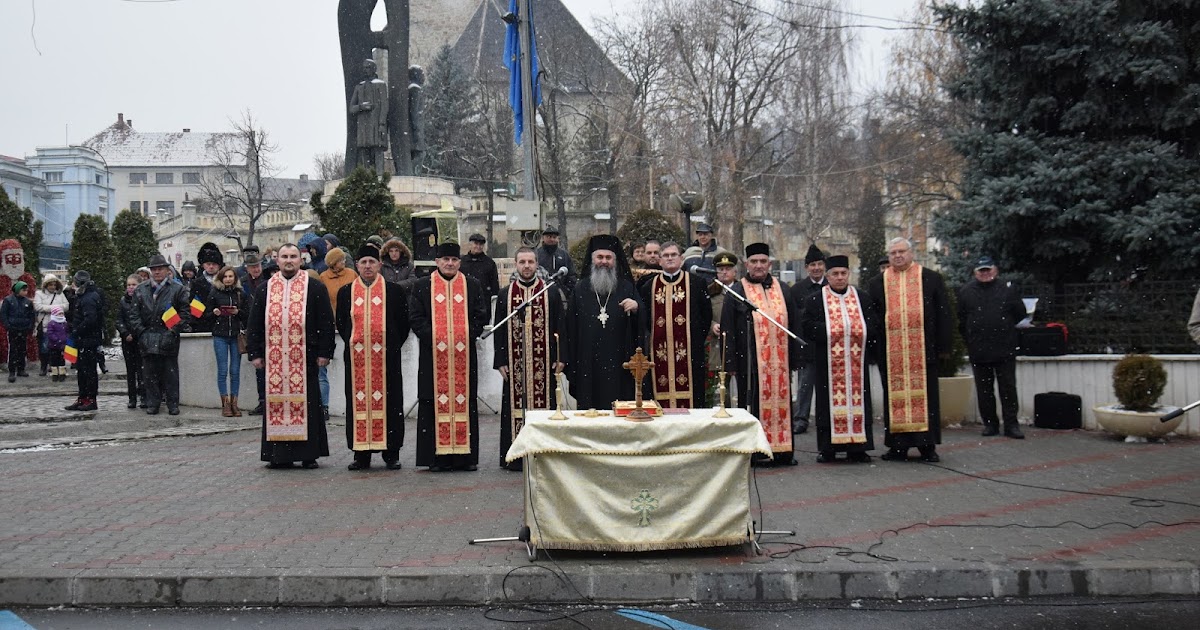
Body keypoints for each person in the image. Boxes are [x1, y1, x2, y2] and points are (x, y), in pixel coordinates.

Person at [247, 243, 336, 470]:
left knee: (308, 405)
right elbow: (254, 323)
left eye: (293, 256)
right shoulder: (265, 289)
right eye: (284, 256)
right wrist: (255, 353)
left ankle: (308, 454)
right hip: (273, 359)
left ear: (300, 260)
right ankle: (279, 455)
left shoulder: (314, 287)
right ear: (277, 260)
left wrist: (325, 352)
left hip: (305, 356)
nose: (289, 260)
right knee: (276, 406)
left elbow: (326, 322)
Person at [866, 237, 952, 463]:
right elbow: (873, 319)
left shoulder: (930, 278)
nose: (897, 256)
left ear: (911, 253)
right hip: (891, 354)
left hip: (924, 352)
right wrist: (874, 351)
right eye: (893, 253)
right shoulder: (878, 283)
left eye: (901, 251)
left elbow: (943, 314)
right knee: (894, 401)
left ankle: (927, 446)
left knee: (926, 400)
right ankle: (897, 447)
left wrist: (944, 347)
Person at [408, 242, 490, 472]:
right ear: (437, 262)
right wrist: (436, 338)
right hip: (432, 357)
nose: (450, 263)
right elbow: (415, 317)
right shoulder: (423, 286)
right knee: (432, 402)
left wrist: (463, 336)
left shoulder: (471, 285)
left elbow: (480, 316)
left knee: (465, 404)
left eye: (454, 260)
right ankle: (436, 457)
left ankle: (465, 457)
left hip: (464, 357)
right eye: (445, 259)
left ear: (459, 262)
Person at [722, 243, 802, 466]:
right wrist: (730, 362)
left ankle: (783, 450)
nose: (758, 266)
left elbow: (793, 324)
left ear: (770, 264)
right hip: (750, 362)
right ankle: (758, 451)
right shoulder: (737, 290)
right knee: (754, 405)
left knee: (783, 404)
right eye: (754, 262)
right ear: (746, 264)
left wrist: (795, 358)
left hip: (781, 363)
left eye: (763, 262)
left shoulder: (783, 289)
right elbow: (728, 327)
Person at [336, 243, 411, 471]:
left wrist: (390, 344)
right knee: (356, 403)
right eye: (363, 262)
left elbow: (403, 323)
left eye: (372, 262)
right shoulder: (346, 292)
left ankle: (391, 453)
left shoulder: (394, 291)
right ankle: (361, 453)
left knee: (391, 403)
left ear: (380, 264)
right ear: (357, 265)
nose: (368, 266)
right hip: (357, 360)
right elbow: (342, 323)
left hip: (387, 360)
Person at [800, 255, 880, 463]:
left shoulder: (861, 297)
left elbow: (873, 324)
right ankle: (828, 448)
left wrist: (858, 329)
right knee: (827, 406)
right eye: (835, 274)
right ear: (828, 276)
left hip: (856, 362)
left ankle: (858, 447)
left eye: (843, 273)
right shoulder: (816, 299)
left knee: (859, 402)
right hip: (827, 362)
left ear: (849, 274)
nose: (840, 278)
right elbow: (807, 326)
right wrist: (832, 329)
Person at [493, 247, 566, 471]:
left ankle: (543, 453)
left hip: (544, 363)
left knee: (546, 405)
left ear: (537, 264)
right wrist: (501, 360)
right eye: (522, 262)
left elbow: (560, 327)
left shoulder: (550, 291)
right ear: (516, 264)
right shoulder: (506, 294)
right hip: (515, 364)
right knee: (514, 407)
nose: (527, 266)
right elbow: (499, 329)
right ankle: (515, 455)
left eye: (531, 262)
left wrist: (560, 356)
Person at [568, 235, 644, 410]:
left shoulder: (626, 287)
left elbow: (643, 319)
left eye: (608, 258)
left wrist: (636, 307)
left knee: (620, 404)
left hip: (619, 361)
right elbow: (570, 326)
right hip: (588, 361)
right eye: (600, 257)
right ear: (592, 259)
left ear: (615, 261)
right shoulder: (580, 289)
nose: (604, 261)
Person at [958, 256, 1026, 439]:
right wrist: (972, 337)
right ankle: (990, 424)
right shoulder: (965, 292)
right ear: (975, 272)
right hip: (979, 350)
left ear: (995, 270)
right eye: (981, 270)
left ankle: (1011, 425)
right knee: (984, 390)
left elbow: (1020, 314)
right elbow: (961, 319)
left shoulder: (1007, 290)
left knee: (1008, 389)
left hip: (1005, 348)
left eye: (988, 270)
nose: (985, 273)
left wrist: (1004, 328)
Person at [639, 241, 712, 408]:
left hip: (690, 353)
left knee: (693, 397)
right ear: (659, 261)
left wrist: (694, 340)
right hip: (658, 352)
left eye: (673, 255)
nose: (670, 258)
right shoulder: (649, 286)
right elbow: (646, 321)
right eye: (665, 255)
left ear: (681, 259)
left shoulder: (696, 283)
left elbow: (706, 315)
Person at [128, 255, 192, 415]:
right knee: (149, 374)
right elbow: (133, 315)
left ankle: (172, 404)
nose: (157, 272)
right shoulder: (141, 290)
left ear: (166, 270)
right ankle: (153, 403)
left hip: (168, 335)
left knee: (170, 373)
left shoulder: (178, 289)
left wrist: (173, 332)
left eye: (160, 269)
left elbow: (185, 313)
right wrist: (141, 333)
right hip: (147, 336)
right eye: (154, 269)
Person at [789, 243, 828, 434]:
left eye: (820, 264)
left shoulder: (832, 286)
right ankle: (801, 418)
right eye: (812, 265)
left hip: (830, 345)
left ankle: (827, 417)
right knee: (805, 385)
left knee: (830, 385)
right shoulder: (797, 290)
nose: (816, 268)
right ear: (807, 268)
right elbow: (795, 321)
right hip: (807, 345)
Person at [206, 265, 250, 417]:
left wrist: (238, 312)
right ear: (221, 278)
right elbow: (205, 316)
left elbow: (247, 315)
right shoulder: (214, 293)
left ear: (235, 278)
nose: (228, 279)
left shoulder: (240, 293)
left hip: (236, 336)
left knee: (235, 371)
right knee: (223, 370)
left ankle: (234, 403)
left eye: (231, 276)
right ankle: (225, 404)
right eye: (225, 276)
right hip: (220, 335)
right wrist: (215, 313)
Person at [64, 271, 105, 411]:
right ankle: (83, 397)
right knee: (82, 371)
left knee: (88, 371)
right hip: (84, 339)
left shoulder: (88, 297)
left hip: (88, 339)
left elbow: (90, 320)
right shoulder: (84, 296)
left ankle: (90, 399)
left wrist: (76, 331)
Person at [705, 251, 738, 406]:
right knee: (719, 390)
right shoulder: (710, 292)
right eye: (720, 269)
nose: (724, 272)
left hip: (738, 345)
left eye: (728, 269)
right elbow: (701, 315)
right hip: (717, 347)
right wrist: (712, 325)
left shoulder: (741, 290)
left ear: (735, 271)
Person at [349, 58, 390, 173]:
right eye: (364, 68)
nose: (365, 70)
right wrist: (361, 106)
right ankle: (368, 177)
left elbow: (384, 106)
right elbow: (351, 108)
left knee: (378, 151)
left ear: (374, 69)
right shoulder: (359, 87)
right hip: (363, 125)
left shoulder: (381, 85)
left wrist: (382, 123)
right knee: (365, 153)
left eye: (368, 67)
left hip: (376, 124)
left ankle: (380, 176)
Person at [241, 251, 269, 415]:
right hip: (252, 327)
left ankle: (270, 401)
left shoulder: (268, 281)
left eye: (257, 266)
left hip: (267, 325)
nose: (256, 269)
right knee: (259, 367)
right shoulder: (243, 283)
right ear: (247, 268)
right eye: (252, 267)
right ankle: (262, 401)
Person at [115, 274, 146, 408]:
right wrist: (125, 332)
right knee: (130, 371)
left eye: (133, 284)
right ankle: (132, 398)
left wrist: (138, 332)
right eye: (128, 285)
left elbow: (144, 318)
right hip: (127, 340)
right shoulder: (123, 301)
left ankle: (144, 397)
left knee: (142, 371)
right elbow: (119, 319)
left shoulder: (144, 299)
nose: (131, 287)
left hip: (140, 339)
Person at [34, 274, 68, 376]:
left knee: (57, 349)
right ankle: (43, 366)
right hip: (45, 324)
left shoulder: (60, 295)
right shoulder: (39, 294)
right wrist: (55, 308)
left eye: (54, 285)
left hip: (59, 326)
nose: (53, 287)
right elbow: (38, 307)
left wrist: (49, 308)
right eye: (50, 285)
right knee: (44, 348)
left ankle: (54, 366)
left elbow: (66, 306)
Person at [1, 280, 35, 382]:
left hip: (24, 328)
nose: (25, 292)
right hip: (13, 328)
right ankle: (12, 371)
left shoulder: (27, 302)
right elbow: (3, 314)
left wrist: (30, 326)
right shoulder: (8, 300)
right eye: (23, 290)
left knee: (22, 349)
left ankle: (21, 369)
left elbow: (31, 315)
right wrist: (8, 326)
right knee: (13, 350)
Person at [534, 226, 576, 293]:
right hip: (541, 291)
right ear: (543, 238)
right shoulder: (536, 254)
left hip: (561, 291)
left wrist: (567, 290)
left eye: (554, 237)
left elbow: (571, 274)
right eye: (549, 237)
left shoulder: (564, 255)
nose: (552, 239)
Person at [460, 233, 500, 303]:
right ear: (470, 244)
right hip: (465, 299)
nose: (478, 246)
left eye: (481, 244)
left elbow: (494, 285)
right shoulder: (462, 262)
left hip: (484, 301)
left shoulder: (489, 263)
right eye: (476, 243)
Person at [43, 306, 69, 384]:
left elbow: (67, 332)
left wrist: (66, 339)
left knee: (62, 359)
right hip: (54, 345)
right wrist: (57, 339)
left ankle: (62, 373)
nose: (61, 315)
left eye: (62, 313)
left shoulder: (64, 323)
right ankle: (55, 373)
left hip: (62, 345)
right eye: (59, 314)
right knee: (54, 359)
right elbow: (50, 333)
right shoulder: (52, 323)